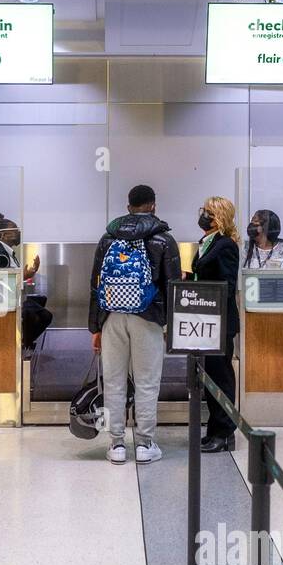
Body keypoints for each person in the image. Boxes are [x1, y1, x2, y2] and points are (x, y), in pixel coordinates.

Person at [87, 185, 181, 465]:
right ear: (153, 205)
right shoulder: (163, 240)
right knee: (146, 383)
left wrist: (95, 328)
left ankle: (116, 444)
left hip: (112, 316)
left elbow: (95, 284)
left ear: (128, 207)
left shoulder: (108, 238)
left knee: (114, 382)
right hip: (149, 317)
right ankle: (144, 444)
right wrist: (170, 327)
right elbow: (172, 285)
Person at [193, 195, 241, 453]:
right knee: (211, 376)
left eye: (208, 211)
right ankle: (215, 429)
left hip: (220, 321)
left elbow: (226, 284)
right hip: (206, 320)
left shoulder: (225, 246)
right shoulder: (208, 243)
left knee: (220, 378)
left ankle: (224, 433)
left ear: (219, 216)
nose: (203, 215)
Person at [0, 213, 51, 347]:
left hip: (13, 299)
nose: (18, 233)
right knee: (43, 316)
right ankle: (19, 344)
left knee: (43, 311)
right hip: (2, 305)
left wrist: (30, 272)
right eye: (14, 231)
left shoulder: (7, 252)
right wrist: (23, 276)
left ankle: (23, 343)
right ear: (3, 235)